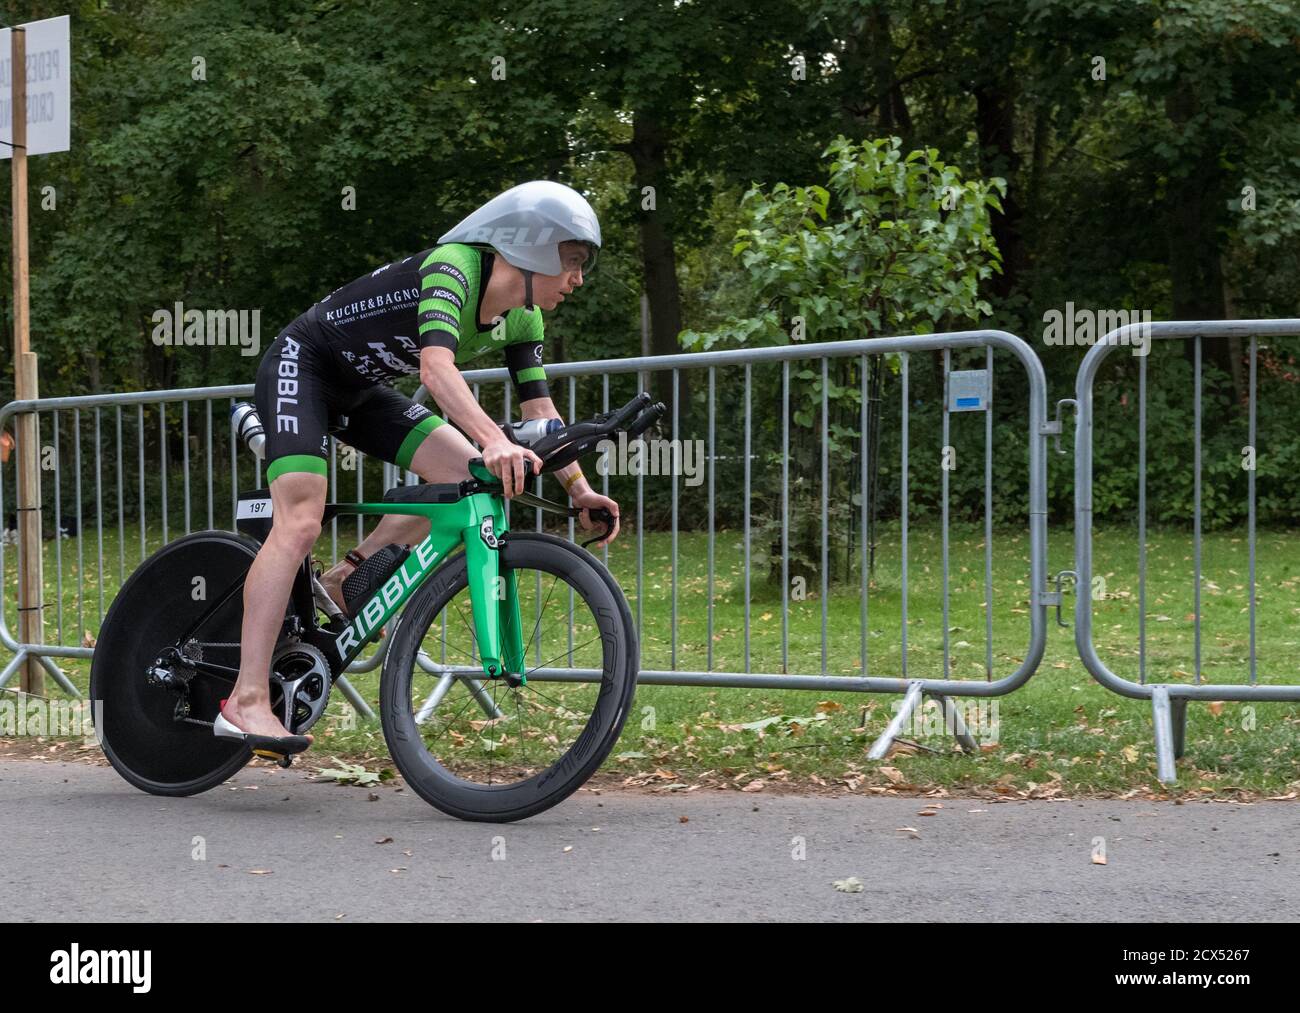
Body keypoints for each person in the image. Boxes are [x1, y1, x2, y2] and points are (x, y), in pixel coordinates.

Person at [213, 180, 620, 758]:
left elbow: (541, 415)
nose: (578, 278)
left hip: (360, 392)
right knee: (300, 520)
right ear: (531, 248)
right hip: (302, 367)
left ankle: (342, 579)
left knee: (470, 476)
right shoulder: (453, 270)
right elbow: (435, 369)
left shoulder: (524, 318)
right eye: (572, 260)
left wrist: (579, 490)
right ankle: (245, 700)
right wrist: (491, 439)